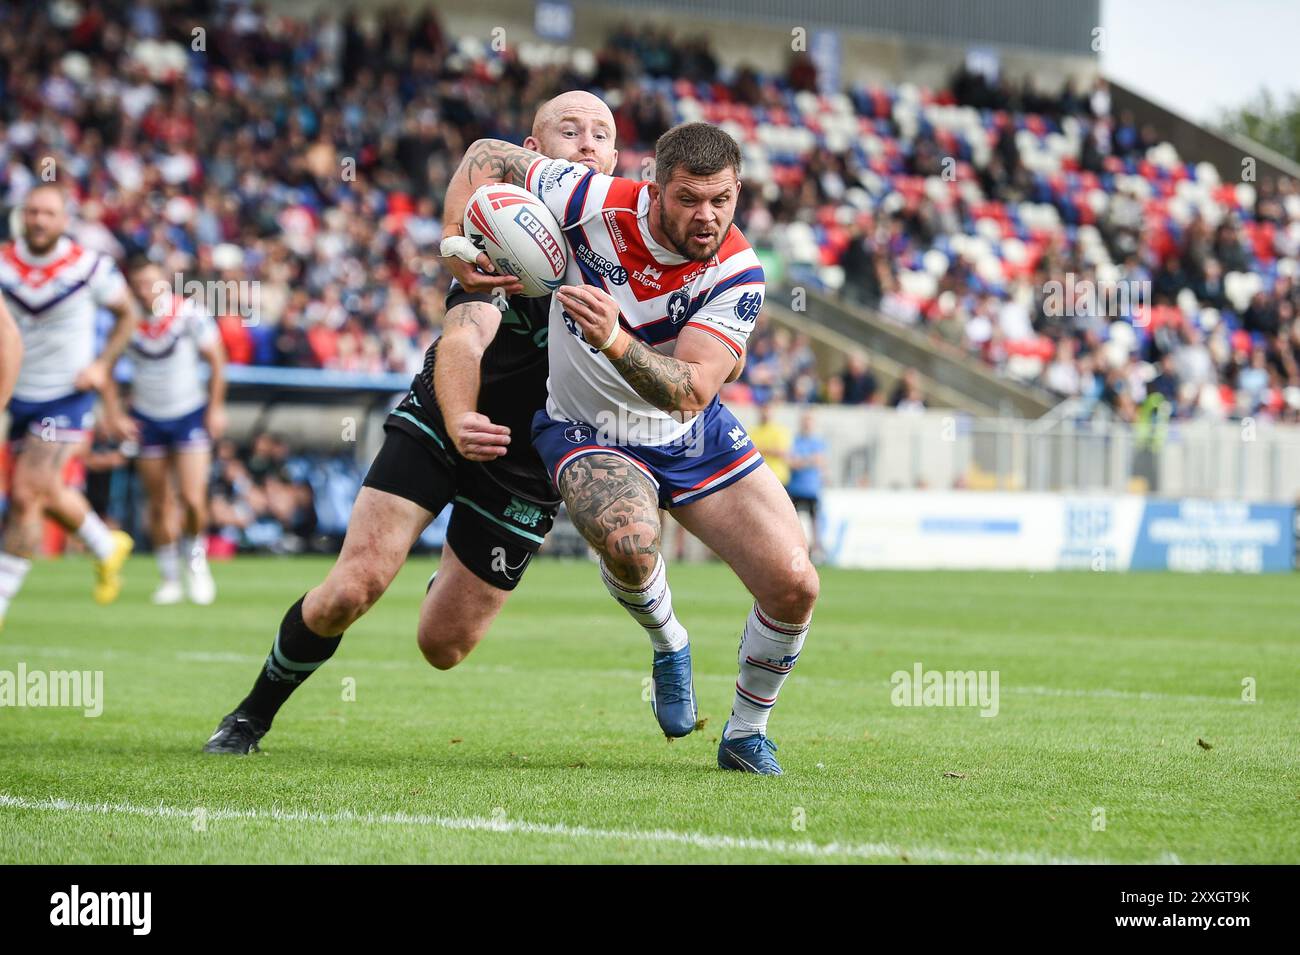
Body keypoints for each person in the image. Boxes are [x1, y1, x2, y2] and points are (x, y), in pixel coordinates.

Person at [202, 91, 621, 754]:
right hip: (444, 416)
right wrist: (458, 414)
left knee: (443, 646)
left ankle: (448, 568)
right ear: (535, 155)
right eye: (570, 131)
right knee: (353, 585)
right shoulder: (502, 231)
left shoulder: (629, 253)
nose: (589, 142)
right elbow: (462, 337)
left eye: (602, 132)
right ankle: (249, 717)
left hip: (527, 460)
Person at [441, 122, 819, 775]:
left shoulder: (737, 271)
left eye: (722, 200)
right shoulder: (586, 198)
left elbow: (693, 389)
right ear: (653, 186)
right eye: (689, 198)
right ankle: (670, 640)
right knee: (630, 541)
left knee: (794, 583)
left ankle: (745, 732)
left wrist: (615, 339)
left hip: (686, 429)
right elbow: (483, 155)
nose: (707, 216)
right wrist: (456, 254)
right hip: (587, 428)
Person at [0, 184, 138, 630]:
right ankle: (104, 544)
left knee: (25, 493)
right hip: (14, 391)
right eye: (32, 211)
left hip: (66, 394)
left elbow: (128, 314)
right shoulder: (3, 262)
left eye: (49, 213)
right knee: (47, 491)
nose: (39, 220)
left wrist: (101, 364)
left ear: (64, 220)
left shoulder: (89, 266)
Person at [119, 257, 226, 605]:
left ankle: (196, 562)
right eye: (139, 283)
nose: (146, 289)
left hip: (188, 414)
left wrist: (215, 407)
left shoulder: (190, 314)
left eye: (152, 281)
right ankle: (168, 578)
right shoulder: (126, 320)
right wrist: (114, 412)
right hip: (147, 418)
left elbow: (216, 360)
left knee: (193, 499)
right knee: (159, 501)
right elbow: (102, 367)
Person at [786, 410, 827, 559]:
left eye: (809, 421)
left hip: (812, 489)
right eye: (805, 421)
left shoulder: (818, 442)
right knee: (793, 523)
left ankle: (816, 551)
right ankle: (793, 550)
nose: (807, 424)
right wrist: (809, 461)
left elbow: (820, 462)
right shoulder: (794, 440)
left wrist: (803, 461)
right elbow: (792, 463)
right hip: (796, 487)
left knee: (814, 522)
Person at [749, 401, 792, 488]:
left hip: (778, 477)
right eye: (763, 410)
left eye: (767, 410)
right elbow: (749, 452)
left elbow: (781, 452)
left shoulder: (780, 430)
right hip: (759, 478)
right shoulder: (753, 431)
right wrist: (770, 450)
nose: (765, 413)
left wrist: (760, 449)